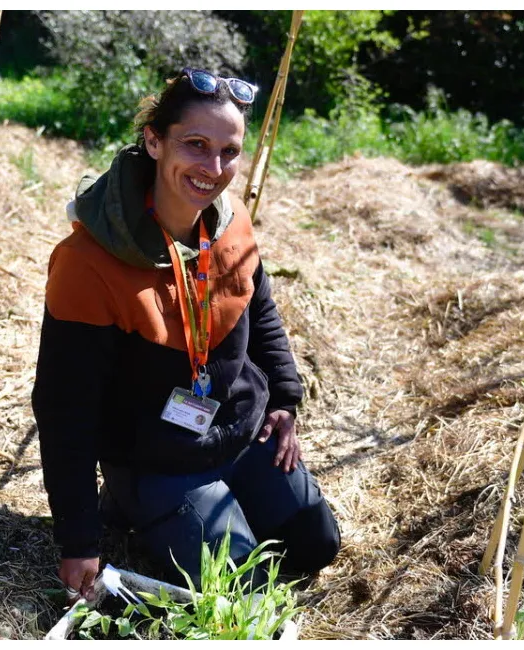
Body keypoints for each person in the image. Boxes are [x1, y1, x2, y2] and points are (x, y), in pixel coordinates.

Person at [31, 68, 340, 601]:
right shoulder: (87, 264)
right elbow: (65, 409)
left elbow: (260, 309)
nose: (213, 168)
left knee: (316, 545)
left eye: (229, 151)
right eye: (195, 145)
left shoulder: (229, 222)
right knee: (243, 586)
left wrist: (284, 399)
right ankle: (128, 501)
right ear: (153, 140)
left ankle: (218, 500)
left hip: (237, 435)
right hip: (156, 458)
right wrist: (79, 540)